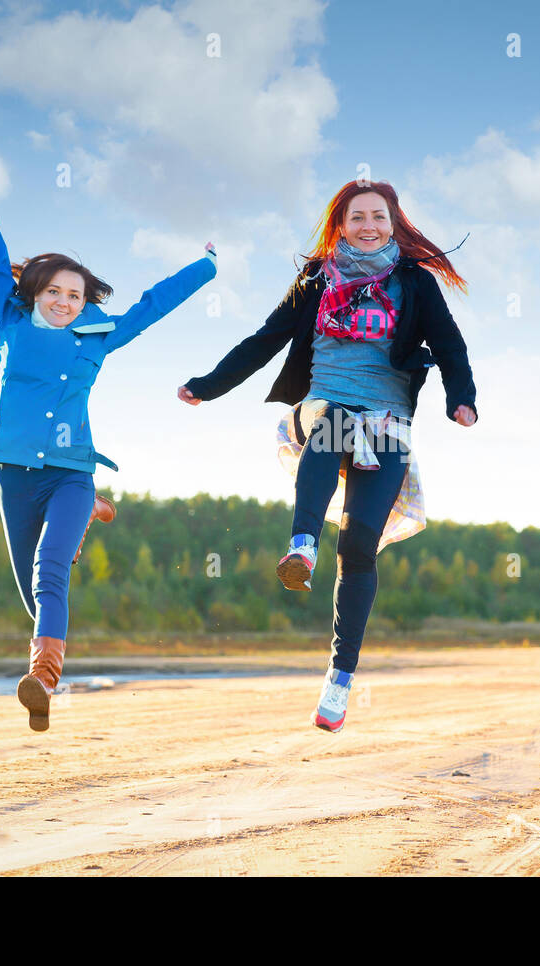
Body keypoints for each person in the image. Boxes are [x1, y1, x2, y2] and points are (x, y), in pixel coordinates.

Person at [179, 179, 477, 732]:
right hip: (322, 410)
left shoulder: (414, 282)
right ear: (340, 225)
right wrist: (211, 384)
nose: (369, 226)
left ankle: (339, 680)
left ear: (394, 224)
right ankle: (301, 547)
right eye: (357, 217)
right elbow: (264, 339)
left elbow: (450, 344)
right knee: (333, 420)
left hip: (387, 422)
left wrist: (462, 399)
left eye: (379, 217)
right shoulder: (317, 280)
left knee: (360, 545)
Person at [0, 151, 216, 731]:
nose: (65, 301)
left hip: (72, 471)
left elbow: (151, 307)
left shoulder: (97, 338)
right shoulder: (10, 319)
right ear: (36, 292)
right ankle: (89, 520)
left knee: (52, 568)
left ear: (84, 303)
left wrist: (205, 268)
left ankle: (43, 678)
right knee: (33, 590)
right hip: (16, 474)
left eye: (75, 295)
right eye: (55, 291)